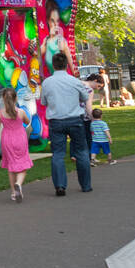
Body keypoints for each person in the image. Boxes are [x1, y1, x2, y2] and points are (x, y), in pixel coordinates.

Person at [38, 51, 92, 195]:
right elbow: (84, 97)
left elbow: (43, 102)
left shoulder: (47, 82)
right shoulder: (75, 81)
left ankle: (60, 186)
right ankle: (86, 185)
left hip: (56, 121)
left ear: (53, 65)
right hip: (75, 119)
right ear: (66, 65)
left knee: (58, 154)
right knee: (81, 152)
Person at [0, 86, 33, 201]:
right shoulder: (21, 112)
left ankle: (14, 193)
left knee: (11, 167)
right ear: (16, 99)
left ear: (3, 100)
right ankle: (18, 184)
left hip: (7, 141)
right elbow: (28, 122)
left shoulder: (0, 114)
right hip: (20, 139)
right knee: (23, 164)